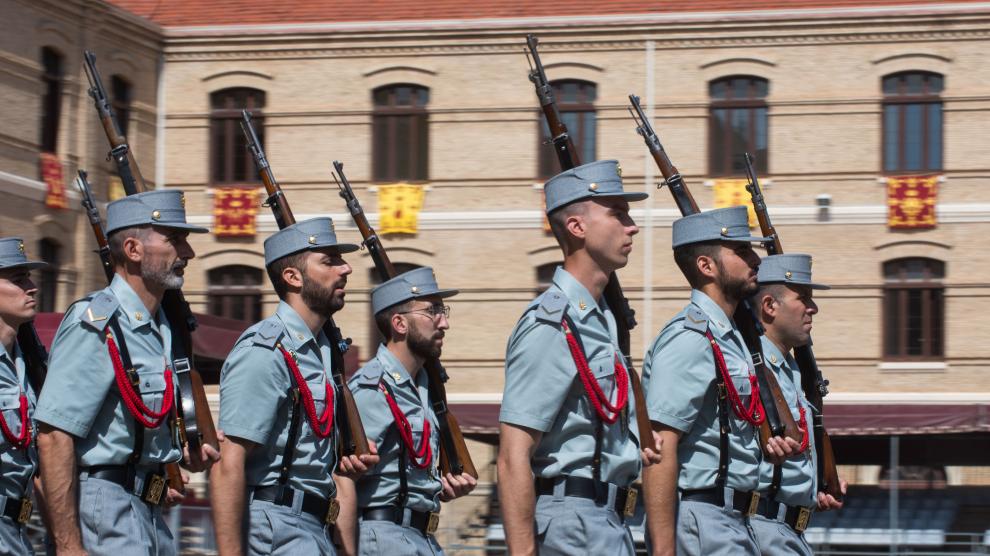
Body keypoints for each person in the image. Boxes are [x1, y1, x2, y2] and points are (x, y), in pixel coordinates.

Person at [36, 190, 220, 556]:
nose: (188, 253)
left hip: (148, 510)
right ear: (133, 250)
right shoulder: (98, 324)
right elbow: (54, 435)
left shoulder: (164, 329)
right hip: (105, 509)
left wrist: (180, 449)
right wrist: (69, 545)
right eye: (175, 239)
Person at [497, 159, 662, 555]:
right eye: (618, 215)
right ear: (577, 227)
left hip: (609, 520)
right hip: (572, 522)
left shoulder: (601, 320)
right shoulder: (553, 322)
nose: (632, 226)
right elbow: (512, 454)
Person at [210, 217, 379, 555]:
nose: (346, 269)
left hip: (314, 527)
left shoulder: (324, 354)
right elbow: (228, 462)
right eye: (329, 261)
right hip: (277, 527)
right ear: (292, 277)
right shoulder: (266, 350)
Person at [641, 206, 800, 555]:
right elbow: (659, 449)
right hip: (702, 519)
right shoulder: (691, 338)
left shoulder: (733, 339)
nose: (755, 259)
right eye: (741, 251)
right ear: (706, 266)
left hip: (733, 519)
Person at [339, 267, 477, 555]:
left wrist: (437, 486)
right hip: (383, 537)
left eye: (443, 310)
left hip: (422, 537)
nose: (444, 323)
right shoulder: (371, 389)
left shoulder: (427, 388)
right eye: (432, 312)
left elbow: (402, 468)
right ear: (399, 324)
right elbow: (341, 477)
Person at [749, 254, 845, 555]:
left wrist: (812, 483)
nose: (813, 308)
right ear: (769, 306)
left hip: (789, 529)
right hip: (763, 527)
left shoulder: (790, 371)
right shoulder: (749, 367)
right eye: (802, 298)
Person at [0, 238, 48, 554]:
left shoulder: (29, 364)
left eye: (29, 278)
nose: (32, 287)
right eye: (18, 280)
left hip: (17, 531)